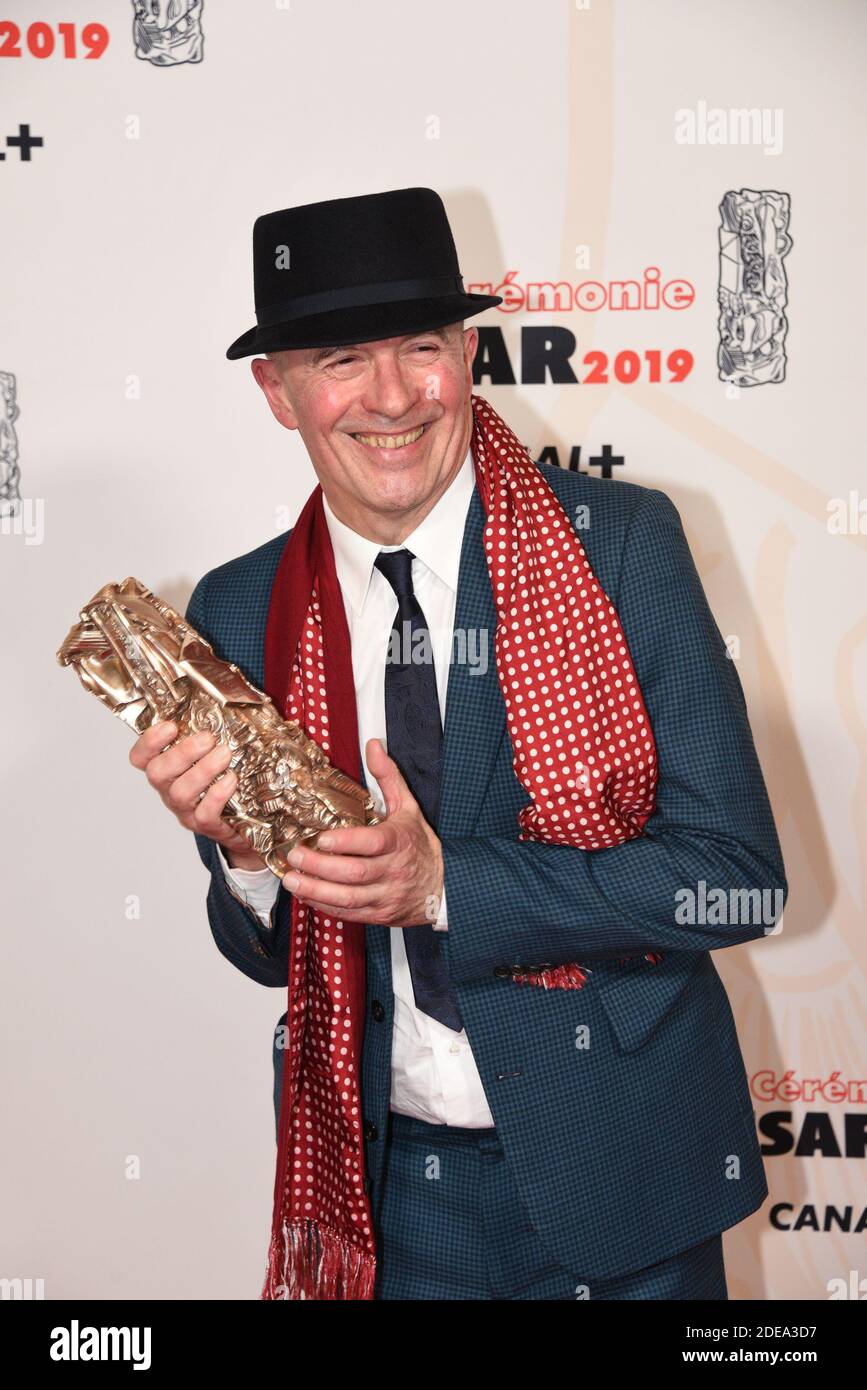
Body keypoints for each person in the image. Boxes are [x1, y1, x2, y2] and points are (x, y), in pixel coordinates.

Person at [130, 187, 786, 1300]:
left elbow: (735, 881)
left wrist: (449, 888)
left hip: (626, 1177)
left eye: (420, 348)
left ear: (469, 355)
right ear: (277, 392)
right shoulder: (238, 616)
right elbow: (264, 957)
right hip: (387, 1200)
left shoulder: (623, 547)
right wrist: (244, 855)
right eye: (340, 358)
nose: (391, 398)